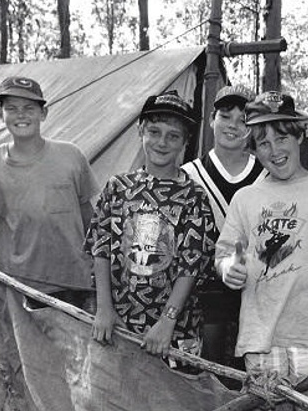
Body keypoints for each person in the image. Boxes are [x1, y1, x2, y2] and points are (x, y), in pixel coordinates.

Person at [214, 91, 308, 386]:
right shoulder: (245, 198)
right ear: (254, 150)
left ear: (299, 136)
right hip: (260, 341)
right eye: (264, 143)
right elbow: (223, 255)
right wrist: (228, 268)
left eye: (282, 138)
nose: (274, 150)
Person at [0, 76, 99, 308]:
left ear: (43, 113)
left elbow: (87, 214)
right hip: (18, 283)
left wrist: (101, 260)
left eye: (29, 108)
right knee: (24, 332)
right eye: (11, 108)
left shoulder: (71, 156)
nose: (21, 115)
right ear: (0, 114)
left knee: (74, 331)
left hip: (74, 280)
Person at [84, 90, 217, 358]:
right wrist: (104, 308)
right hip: (119, 325)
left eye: (173, 136)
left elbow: (191, 266)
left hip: (174, 331)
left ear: (185, 142)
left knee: (174, 386)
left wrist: (167, 321)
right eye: (154, 132)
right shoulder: (117, 188)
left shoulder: (193, 196)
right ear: (140, 131)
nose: (162, 142)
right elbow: (101, 251)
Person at [182, 84, 266, 364]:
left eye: (243, 120)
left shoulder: (267, 175)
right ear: (211, 120)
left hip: (257, 296)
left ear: (253, 127)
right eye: (225, 116)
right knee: (206, 374)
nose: (233, 125)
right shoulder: (188, 175)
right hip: (200, 301)